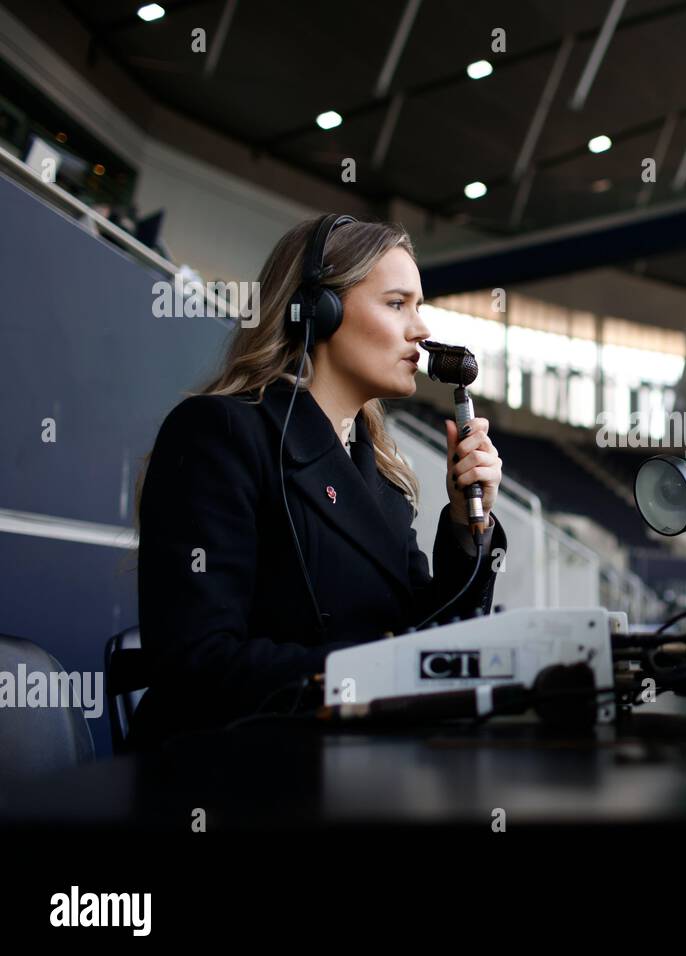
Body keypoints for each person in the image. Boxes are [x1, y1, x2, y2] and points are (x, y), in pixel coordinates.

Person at [128, 215, 505, 748]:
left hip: (358, 769)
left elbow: (430, 637)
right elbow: (197, 663)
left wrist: (471, 526)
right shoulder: (217, 433)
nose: (421, 330)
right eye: (397, 304)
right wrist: (381, 672)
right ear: (317, 312)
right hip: (233, 779)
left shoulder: (384, 481)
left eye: (418, 307)